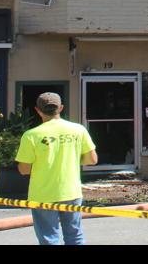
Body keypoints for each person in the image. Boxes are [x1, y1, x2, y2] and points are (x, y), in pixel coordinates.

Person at [15, 92, 98, 246]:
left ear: (37, 110)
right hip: (71, 191)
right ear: (60, 108)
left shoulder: (31, 135)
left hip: (42, 194)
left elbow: (24, 169)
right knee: (75, 236)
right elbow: (92, 159)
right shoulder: (78, 130)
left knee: (49, 239)